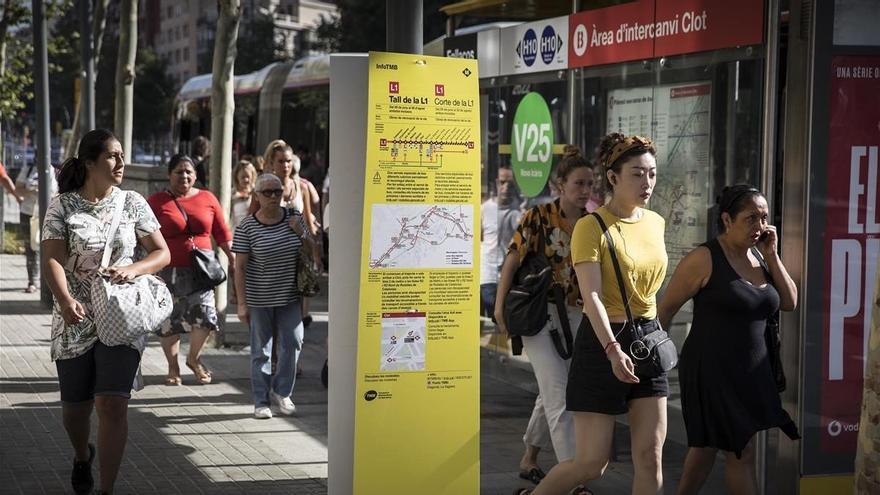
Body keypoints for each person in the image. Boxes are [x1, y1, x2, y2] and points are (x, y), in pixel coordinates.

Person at [519, 134, 668, 495]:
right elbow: (593, 297)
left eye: (651, 173)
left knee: (650, 457)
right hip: (603, 344)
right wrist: (613, 350)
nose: (646, 182)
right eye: (636, 173)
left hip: (646, 341)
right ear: (613, 178)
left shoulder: (656, 222)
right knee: (591, 465)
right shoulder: (591, 226)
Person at [41, 129, 170, 495]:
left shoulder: (132, 202)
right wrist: (65, 301)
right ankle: (83, 455)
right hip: (75, 315)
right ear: (90, 163)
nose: (120, 163)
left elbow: (162, 253)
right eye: (112, 156)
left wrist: (134, 269)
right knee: (75, 410)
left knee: (112, 404)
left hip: (121, 313)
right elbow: (51, 258)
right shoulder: (62, 205)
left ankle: (107, 490)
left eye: (122, 156)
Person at [658, 184, 800, 495]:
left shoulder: (760, 256)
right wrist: (655, 363)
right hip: (711, 371)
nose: (760, 227)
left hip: (751, 372)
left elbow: (789, 301)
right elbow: (666, 309)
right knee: (740, 450)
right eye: (751, 218)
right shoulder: (704, 258)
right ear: (727, 219)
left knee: (705, 448)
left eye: (764, 218)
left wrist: (773, 256)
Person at [495, 146, 595, 486]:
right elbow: (512, 259)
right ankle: (574, 478)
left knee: (553, 390)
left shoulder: (591, 223)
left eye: (590, 185)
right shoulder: (538, 216)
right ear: (560, 184)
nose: (586, 191)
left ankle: (530, 456)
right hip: (538, 314)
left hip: (577, 315)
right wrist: (498, 307)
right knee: (559, 396)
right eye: (579, 184)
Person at [147, 154, 234, 386]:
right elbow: (143, 235)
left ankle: (193, 359)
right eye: (178, 172)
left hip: (201, 271)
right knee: (168, 321)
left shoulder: (208, 198)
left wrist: (234, 260)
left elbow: (222, 233)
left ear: (195, 175)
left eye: (189, 172)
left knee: (205, 316)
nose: (184, 176)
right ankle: (172, 366)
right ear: (169, 175)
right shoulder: (156, 201)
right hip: (166, 269)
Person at [233, 173, 314, 419]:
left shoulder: (293, 217)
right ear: (257, 195)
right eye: (267, 192)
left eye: (277, 192)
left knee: (294, 341)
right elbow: (240, 267)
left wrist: (301, 231)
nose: (272, 196)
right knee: (262, 351)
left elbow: (311, 249)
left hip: (289, 297)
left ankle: (282, 392)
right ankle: (261, 401)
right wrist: (242, 303)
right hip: (259, 299)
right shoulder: (247, 226)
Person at [480, 165, 522, 317]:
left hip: (508, 275)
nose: (506, 187)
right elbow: (479, 238)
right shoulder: (484, 209)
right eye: (503, 182)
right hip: (488, 274)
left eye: (510, 184)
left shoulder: (518, 212)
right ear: (496, 183)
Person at [16, 155, 55, 292]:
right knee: (31, 247)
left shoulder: (51, 171)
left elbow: (56, 193)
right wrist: (31, 191)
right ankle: (32, 281)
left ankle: (47, 282)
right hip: (27, 213)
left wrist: (43, 192)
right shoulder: (28, 169)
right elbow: (18, 189)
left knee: (46, 247)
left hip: (44, 214)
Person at [232, 160, 257, 229]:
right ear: (237, 176)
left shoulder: (258, 193)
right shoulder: (231, 195)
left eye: (248, 177)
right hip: (236, 232)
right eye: (243, 177)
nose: (246, 180)